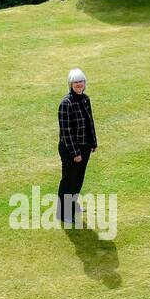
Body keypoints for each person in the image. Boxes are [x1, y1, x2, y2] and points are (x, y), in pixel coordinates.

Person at [58, 68, 97, 224]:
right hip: (70, 149)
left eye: (81, 81)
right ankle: (63, 213)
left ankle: (73, 205)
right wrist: (75, 153)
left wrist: (93, 142)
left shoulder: (85, 99)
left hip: (84, 147)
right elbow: (66, 133)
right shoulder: (66, 104)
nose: (79, 84)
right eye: (76, 82)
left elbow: (90, 123)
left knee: (78, 178)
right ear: (70, 84)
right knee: (68, 180)